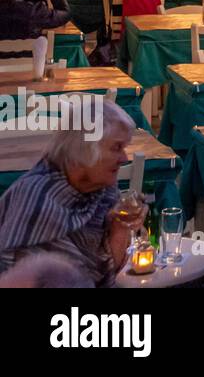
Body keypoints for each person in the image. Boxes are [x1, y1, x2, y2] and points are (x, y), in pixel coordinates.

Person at [0, 102, 140, 287]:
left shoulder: (102, 193)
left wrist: (120, 228)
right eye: (116, 148)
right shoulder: (36, 200)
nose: (124, 158)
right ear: (85, 147)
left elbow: (106, 274)